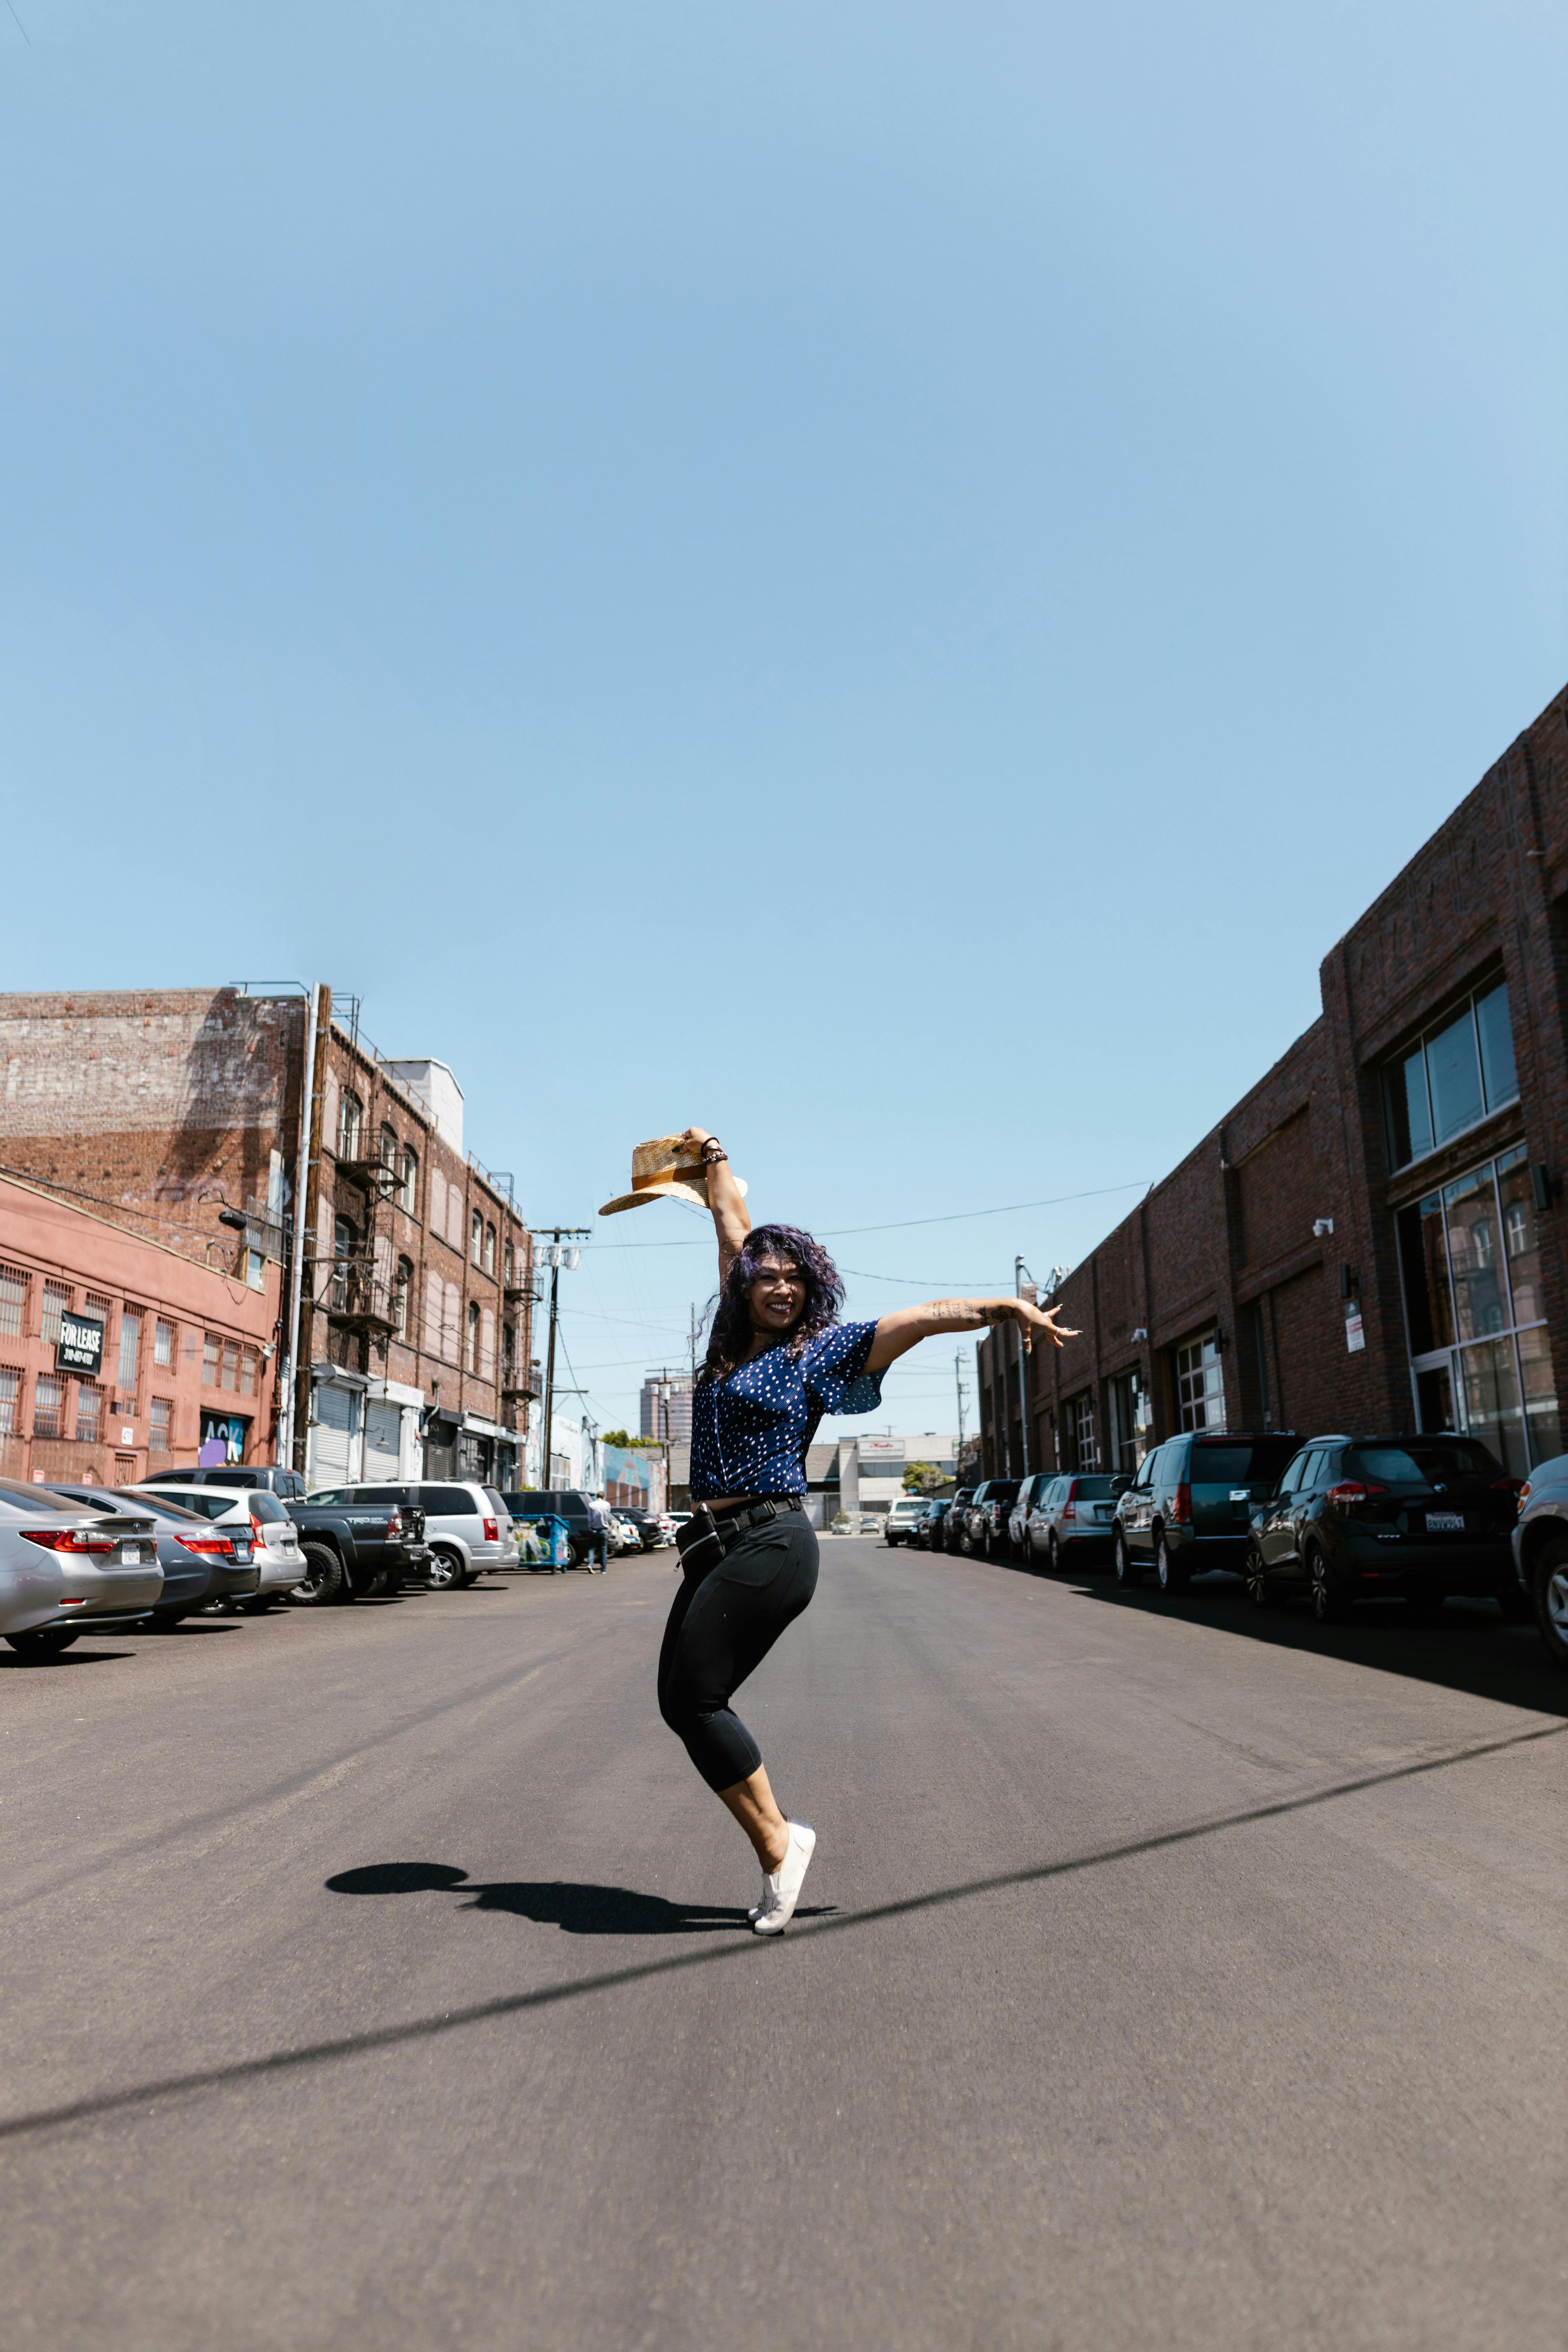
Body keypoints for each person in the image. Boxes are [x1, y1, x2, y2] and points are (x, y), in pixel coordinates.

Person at [656, 1127, 1076, 1935]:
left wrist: (1002, 1305)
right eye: (768, 1278)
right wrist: (713, 1159)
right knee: (680, 1701)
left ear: (812, 1291)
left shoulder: (816, 1355)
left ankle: (781, 1847)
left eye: (794, 1281)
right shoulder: (724, 1339)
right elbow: (731, 1224)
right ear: (744, 1286)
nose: (780, 1289)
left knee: (698, 1695)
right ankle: (781, 1843)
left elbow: (921, 1317)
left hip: (774, 1540)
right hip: (715, 1544)